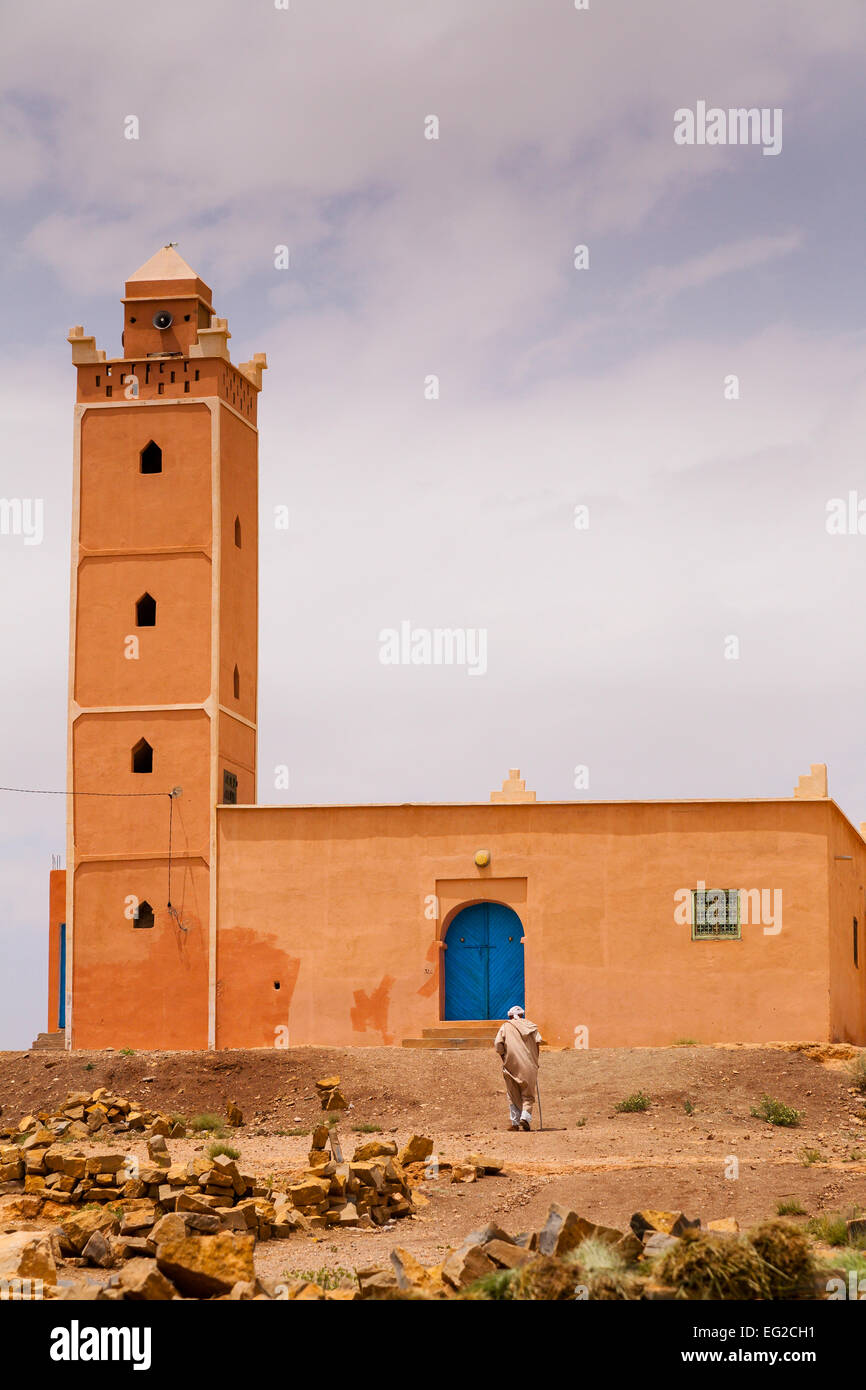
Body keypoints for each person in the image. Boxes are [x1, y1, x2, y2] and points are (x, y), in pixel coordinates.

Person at [494, 1005, 542, 1131]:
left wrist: (504, 1058)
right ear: (522, 1015)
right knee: (528, 1094)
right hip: (529, 1065)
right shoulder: (531, 1027)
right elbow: (538, 1044)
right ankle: (525, 1117)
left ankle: (515, 1123)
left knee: (512, 1093)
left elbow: (498, 1045)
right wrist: (535, 1061)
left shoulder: (505, 1026)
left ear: (510, 1016)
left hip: (511, 1065)